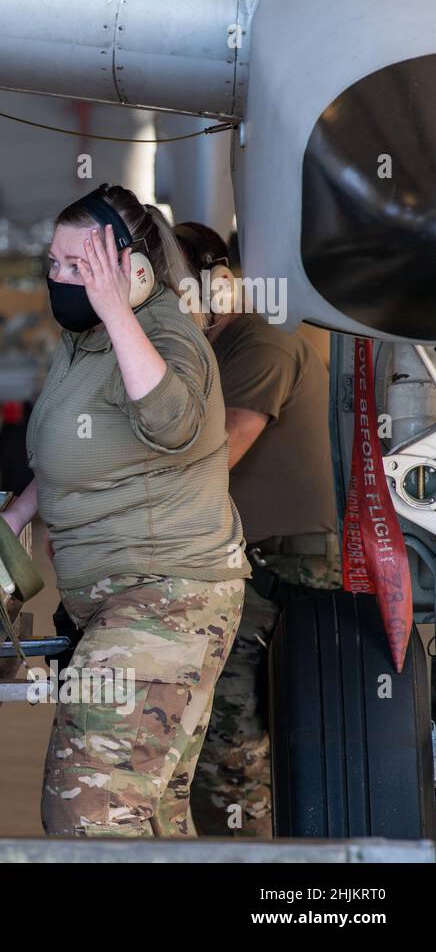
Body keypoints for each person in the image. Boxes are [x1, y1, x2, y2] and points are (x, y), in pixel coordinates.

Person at [3, 184, 249, 837]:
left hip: (166, 600)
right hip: (128, 601)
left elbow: (172, 422)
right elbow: (83, 445)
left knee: (91, 812)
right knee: (151, 815)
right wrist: (22, 511)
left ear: (132, 270)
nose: (56, 278)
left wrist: (118, 314)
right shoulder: (83, 341)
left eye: (75, 267)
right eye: (52, 263)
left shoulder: (165, 335)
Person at [174, 221, 341, 837]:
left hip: (275, 577)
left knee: (229, 753)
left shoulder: (259, 347)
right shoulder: (218, 352)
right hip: (254, 574)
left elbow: (210, 461)